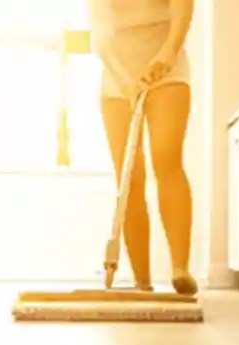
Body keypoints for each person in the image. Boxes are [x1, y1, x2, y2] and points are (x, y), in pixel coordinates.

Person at [88, 0, 198, 296]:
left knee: (167, 159)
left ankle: (180, 269)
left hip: (167, 68)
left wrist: (168, 53)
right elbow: (100, 33)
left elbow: (182, 9)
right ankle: (142, 281)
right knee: (129, 178)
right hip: (117, 78)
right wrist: (126, 84)